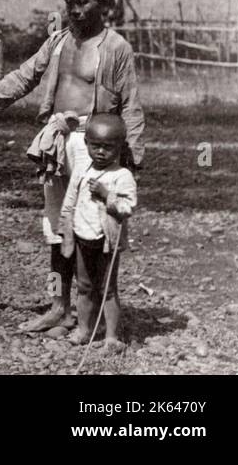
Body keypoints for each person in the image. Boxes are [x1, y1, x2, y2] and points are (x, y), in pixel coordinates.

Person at [0, 0, 145, 335]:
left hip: (93, 145)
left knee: (91, 228)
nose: (74, 11)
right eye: (69, 4)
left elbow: (131, 105)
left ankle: (92, 315)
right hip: (55, 141)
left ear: (101, 4)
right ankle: (58, 308)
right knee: (56, 228)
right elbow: (23, 77)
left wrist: (132, 157)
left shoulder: (116, 48)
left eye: (81, 3)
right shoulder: (58, 42)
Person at [60, 112, 137, 352]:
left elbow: (127, 208)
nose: (101, 152)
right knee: (84, 286)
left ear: (120, 148)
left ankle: (112, 337)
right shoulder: (82, 171)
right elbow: (69, 203)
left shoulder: (122, 175)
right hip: (82, 239)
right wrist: (65, 232)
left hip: (106, 242)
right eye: (96, 146)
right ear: (86, 144)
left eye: (108, 148)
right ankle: (84, 329)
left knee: (107, 289)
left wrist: (107, 195)